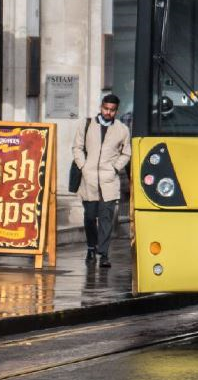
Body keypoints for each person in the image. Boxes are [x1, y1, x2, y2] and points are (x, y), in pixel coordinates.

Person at [73, 94, 132, 268]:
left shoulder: (122, 129)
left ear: (116, 110)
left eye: (112, 110)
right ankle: (91, 247)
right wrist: (83, 166)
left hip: (109, 180)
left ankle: (104, 254)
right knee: (90, 217)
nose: (108, 112)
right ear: (101, 107)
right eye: (106, 109)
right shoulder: (87, 124)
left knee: (106, 219)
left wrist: (115, 168)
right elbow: (77, 147)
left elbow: (126, 153)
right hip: (89, 179)